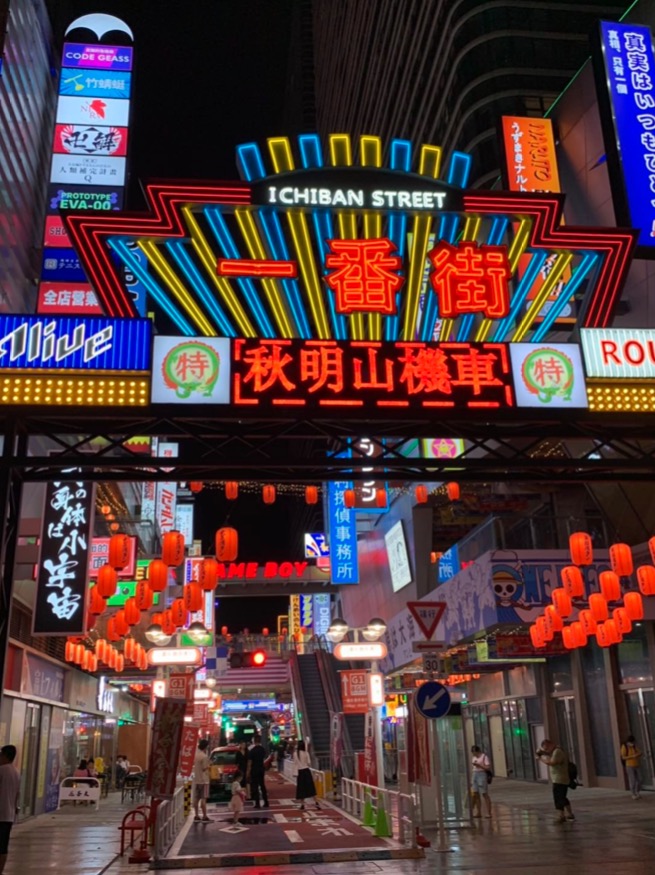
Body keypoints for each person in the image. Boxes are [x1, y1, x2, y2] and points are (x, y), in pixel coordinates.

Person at [536, 739, 574, 823]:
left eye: (547, 748)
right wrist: (542, 753)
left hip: (559, 778)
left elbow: (552, 762)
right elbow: (550, 755)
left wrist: (540, 759)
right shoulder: (556, 751)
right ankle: (570, 814)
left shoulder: (557, 752)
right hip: (560, 778)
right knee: (563, 797)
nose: (547, 750)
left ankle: (561, 815)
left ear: (550, 744)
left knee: (558, 797)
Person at [0, 745, 19, 875]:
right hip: (9, 815)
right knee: (2, 847)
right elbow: (17, 795)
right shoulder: (16, 772)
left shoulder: (1, 770)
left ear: (5, 756)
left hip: (0, 814)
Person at [293, 740, 320, 810]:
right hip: (306, 771)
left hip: (300, 772)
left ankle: (302, 804)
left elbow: (295, 763)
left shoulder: (295, 753)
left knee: (301, 788)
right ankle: (316, 802)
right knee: (311, 788)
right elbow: (309, 763)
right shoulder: (306, 753)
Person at [246, 735, 269, 809]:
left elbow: (249, 763)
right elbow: (265, 758)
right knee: (262, 785)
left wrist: (248, 772)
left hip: (254, 770)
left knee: (255, 786)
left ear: (254, 741)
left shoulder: (252, 751)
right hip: (261, 769)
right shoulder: (262, 749)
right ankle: (266, 802)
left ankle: (257, 803)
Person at [470, 745, 492, 818]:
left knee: (484, 793)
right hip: (475, 773)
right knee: (476, 793)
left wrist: (479, 765)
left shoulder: (484, 757)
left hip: (482, 773)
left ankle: (489, 812)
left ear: (478, 751)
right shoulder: (473, 758)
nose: (474, 754)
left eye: (474, 752)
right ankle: (478, 812)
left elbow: (488, 767)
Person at [193, 739, 211, 822]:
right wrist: (209, 764)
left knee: (196, 798)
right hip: (204, 780)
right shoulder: (204, 756)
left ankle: (196, 815)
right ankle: (204, 816)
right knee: (203, 799)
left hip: (196, 779)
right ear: (206, 747)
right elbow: (204, 768)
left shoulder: (195, 754)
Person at [620, 735, 642, 799]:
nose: (632, 744)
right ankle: (633, 793)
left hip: (636, 764)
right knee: (633, 779)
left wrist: (639, 754)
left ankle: (637, 791)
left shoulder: (634, 747)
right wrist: (632, 756)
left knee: (640, 779)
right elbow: (623, 757)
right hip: (629, 765)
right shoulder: (624, 747)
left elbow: (639, 751)